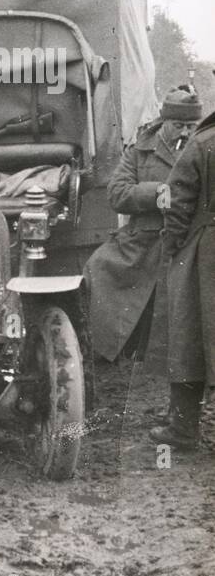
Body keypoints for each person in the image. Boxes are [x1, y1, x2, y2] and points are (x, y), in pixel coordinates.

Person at [85, 87, 202, 367]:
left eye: (190, 126)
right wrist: (162, 194)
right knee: (99, 266)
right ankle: (102, 350)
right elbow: (117, 193)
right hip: (140, 240)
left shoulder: (202, 149)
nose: (185, 132)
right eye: (178, 125)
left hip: (186, 241)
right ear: (164, 123)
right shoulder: (140, 152)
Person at [151, 91, 215, 450]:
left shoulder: (202, 143)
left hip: (205, 253)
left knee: (189, 339)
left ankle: (184, 429)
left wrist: (173, 247)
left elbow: (177, 203)